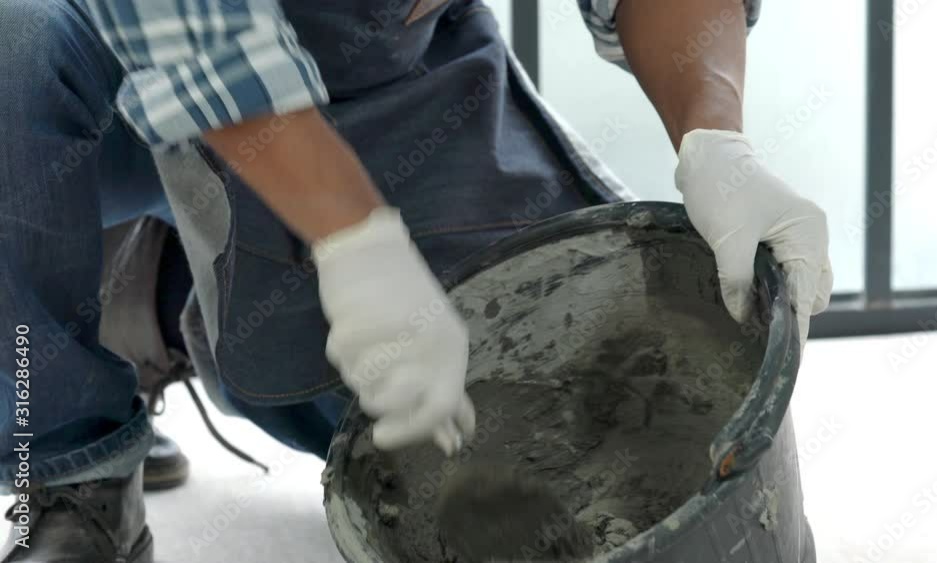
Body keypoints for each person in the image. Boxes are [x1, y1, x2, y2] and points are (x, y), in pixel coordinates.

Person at [0, 0, 833, 560]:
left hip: (380, 61)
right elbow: (195, 40)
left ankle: (158, 287)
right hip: (96, 59)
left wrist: (715, 138)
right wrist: (356, 239)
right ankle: (72, 464)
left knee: (537, 401)